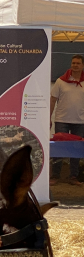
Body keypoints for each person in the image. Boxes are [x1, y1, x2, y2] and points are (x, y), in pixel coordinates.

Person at [50, 53, 84, 185]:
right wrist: (49, 117)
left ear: (82, 66)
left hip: (80, 121)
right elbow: (53, 100)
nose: (75, 65)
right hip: (62, 120)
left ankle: (73, 176)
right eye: (73, 63)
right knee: (59, 148)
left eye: (78, 63)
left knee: (76, 149)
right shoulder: (60, 81)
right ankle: (55, 175)